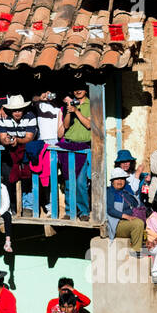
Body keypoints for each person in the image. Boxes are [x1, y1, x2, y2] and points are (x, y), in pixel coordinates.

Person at [59, 84, 92, 219]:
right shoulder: (71, 104)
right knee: (68, 181)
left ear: (85, 90)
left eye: (81, 88)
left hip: (83, 147)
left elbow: (89, 125)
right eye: (75, 89)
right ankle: (70, 211)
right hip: (69, 145)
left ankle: (84, 211)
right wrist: (69, 111)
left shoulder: (91, 104)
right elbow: (66, 125)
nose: (78, 91)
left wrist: (77, 111)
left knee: (80, 183)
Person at [107, 167, 146, 251]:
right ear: (112, 181)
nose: (120, 181)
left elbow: (136, 204)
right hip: (116, 223)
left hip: (128, 220)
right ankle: (136, 251)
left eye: (122, 179)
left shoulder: (127, 190)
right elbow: (110, 210)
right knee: (138, 224)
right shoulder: (110, 192)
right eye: (117, 179)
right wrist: (126, 216)